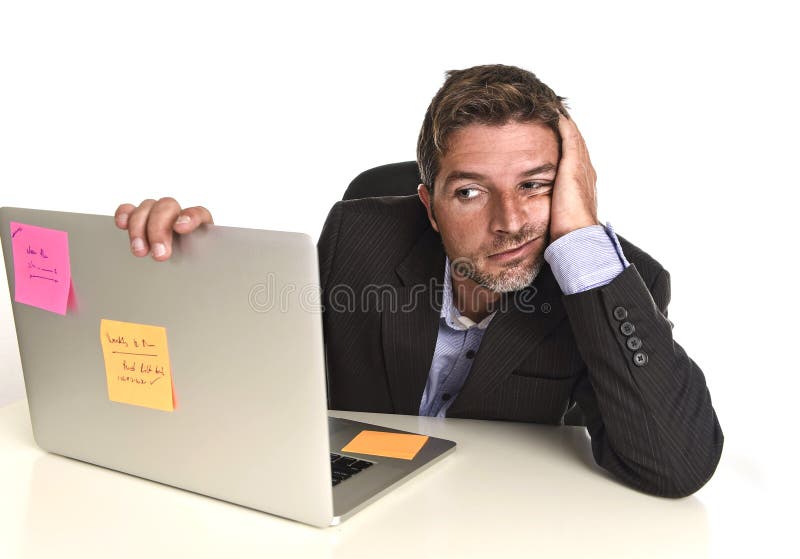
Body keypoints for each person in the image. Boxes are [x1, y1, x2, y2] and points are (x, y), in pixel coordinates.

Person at [114, 64, 723, 498]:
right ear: (430, 207)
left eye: (535, 185)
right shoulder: (360, 236)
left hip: (492, 526)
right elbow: (256, 378)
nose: (510, 223)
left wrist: (582, 239)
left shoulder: (612, 284)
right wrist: (191, 272)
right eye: (470, 192)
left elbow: (675, 467)